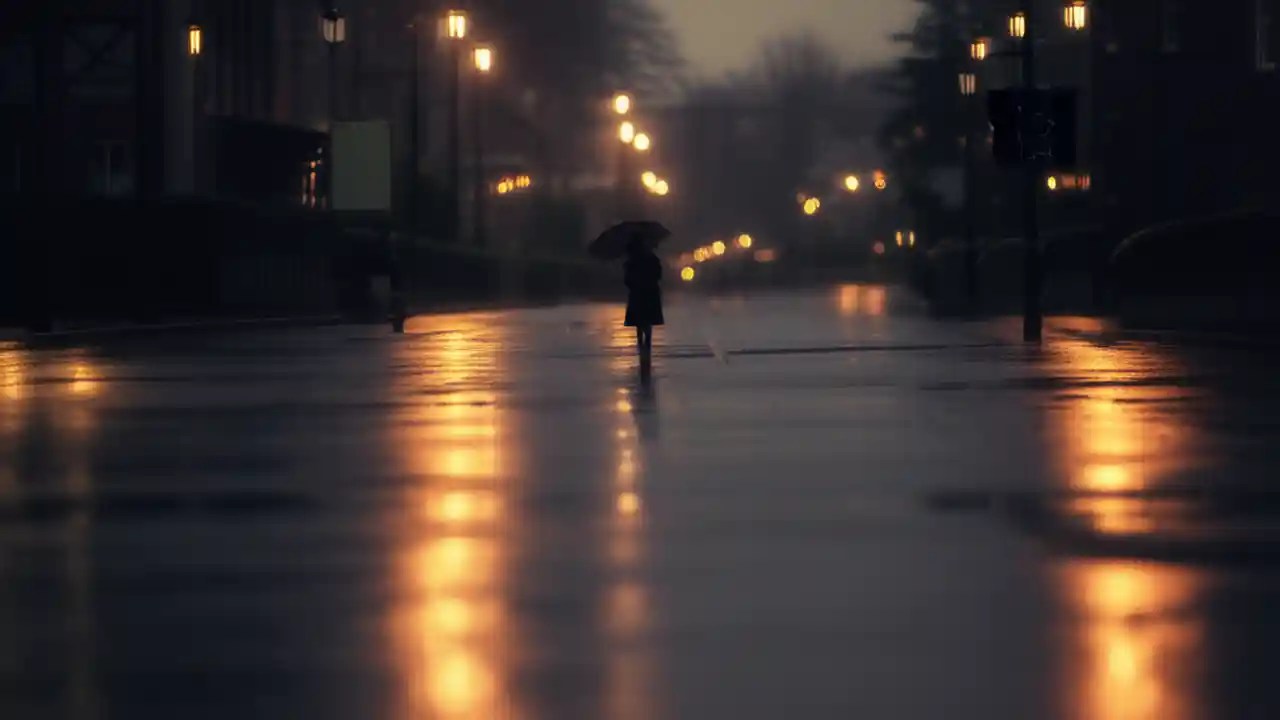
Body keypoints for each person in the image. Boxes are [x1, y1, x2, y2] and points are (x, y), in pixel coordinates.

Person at [623, 238, 664, 378]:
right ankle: (647, 343)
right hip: (650, 293)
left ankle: (641, 343)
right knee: (648, 319)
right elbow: (658, 275)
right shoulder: (652, 259)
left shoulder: (631, 262)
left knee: (639, 321)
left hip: (637, 293)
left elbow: (627, 280)